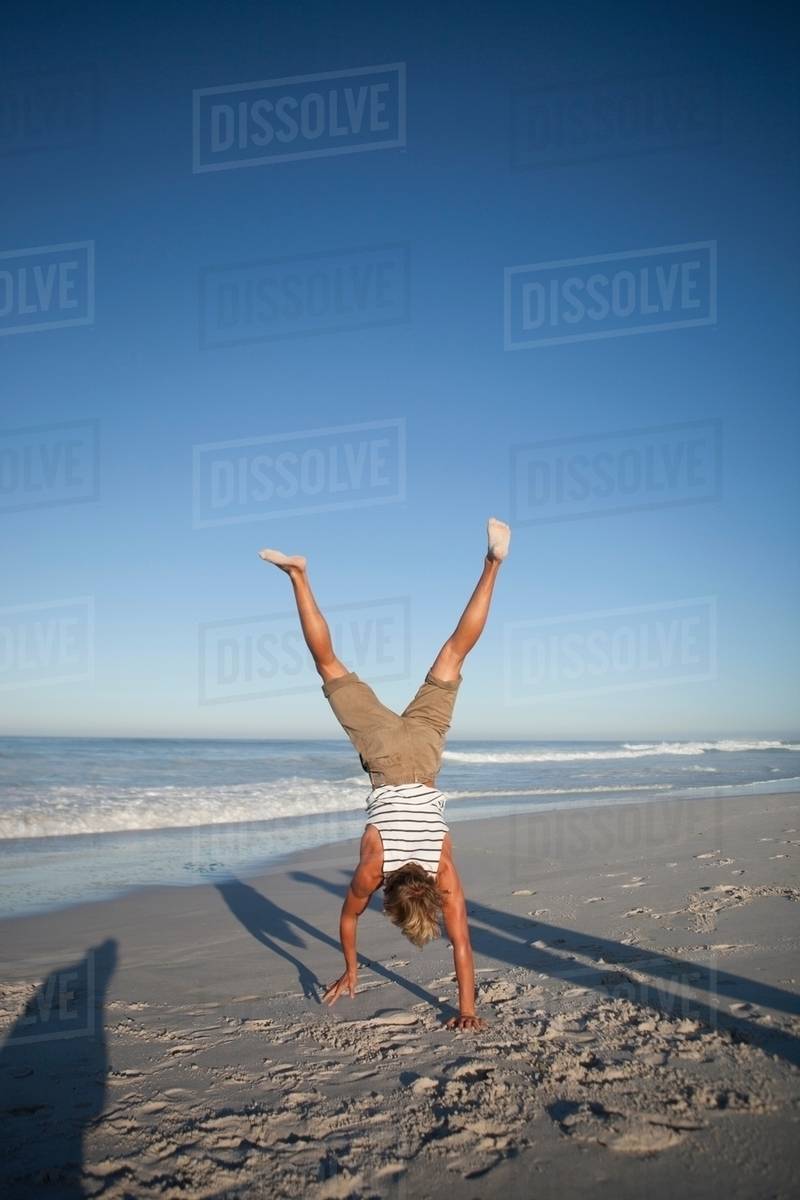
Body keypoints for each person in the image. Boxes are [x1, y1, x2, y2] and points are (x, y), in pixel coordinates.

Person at [259, 518, 510, 1031]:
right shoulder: (375, 867)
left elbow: (462, 943)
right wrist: (351, 968)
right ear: (390, 896)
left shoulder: (443, 870)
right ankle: (298, 576)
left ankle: (493, 562)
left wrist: (468, 1011)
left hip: (423, 755)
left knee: (453, 655)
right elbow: (348, 918)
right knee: (328, 665)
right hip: (387, 760)